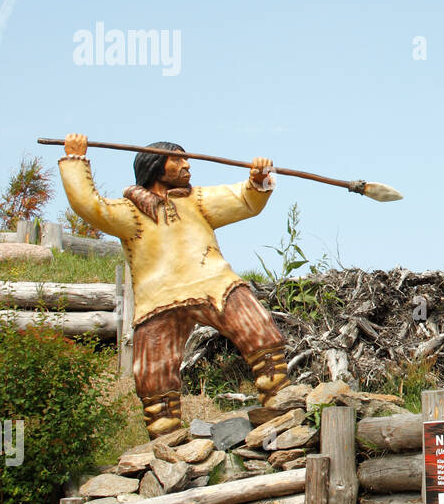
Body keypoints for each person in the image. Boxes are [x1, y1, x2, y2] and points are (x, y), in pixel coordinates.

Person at [58, 133, 292, 438]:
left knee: (263, 337)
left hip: (216, 285)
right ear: (156, 166)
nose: (187, 164)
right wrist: (76, 160)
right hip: (159, 300)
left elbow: (246, 200)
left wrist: (259, 179)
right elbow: (90, 205)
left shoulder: (197, 201)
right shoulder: (130, 213)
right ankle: (167, 442)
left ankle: (280, 409)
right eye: (178, 159)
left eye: (186, 158)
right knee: (154, 379)